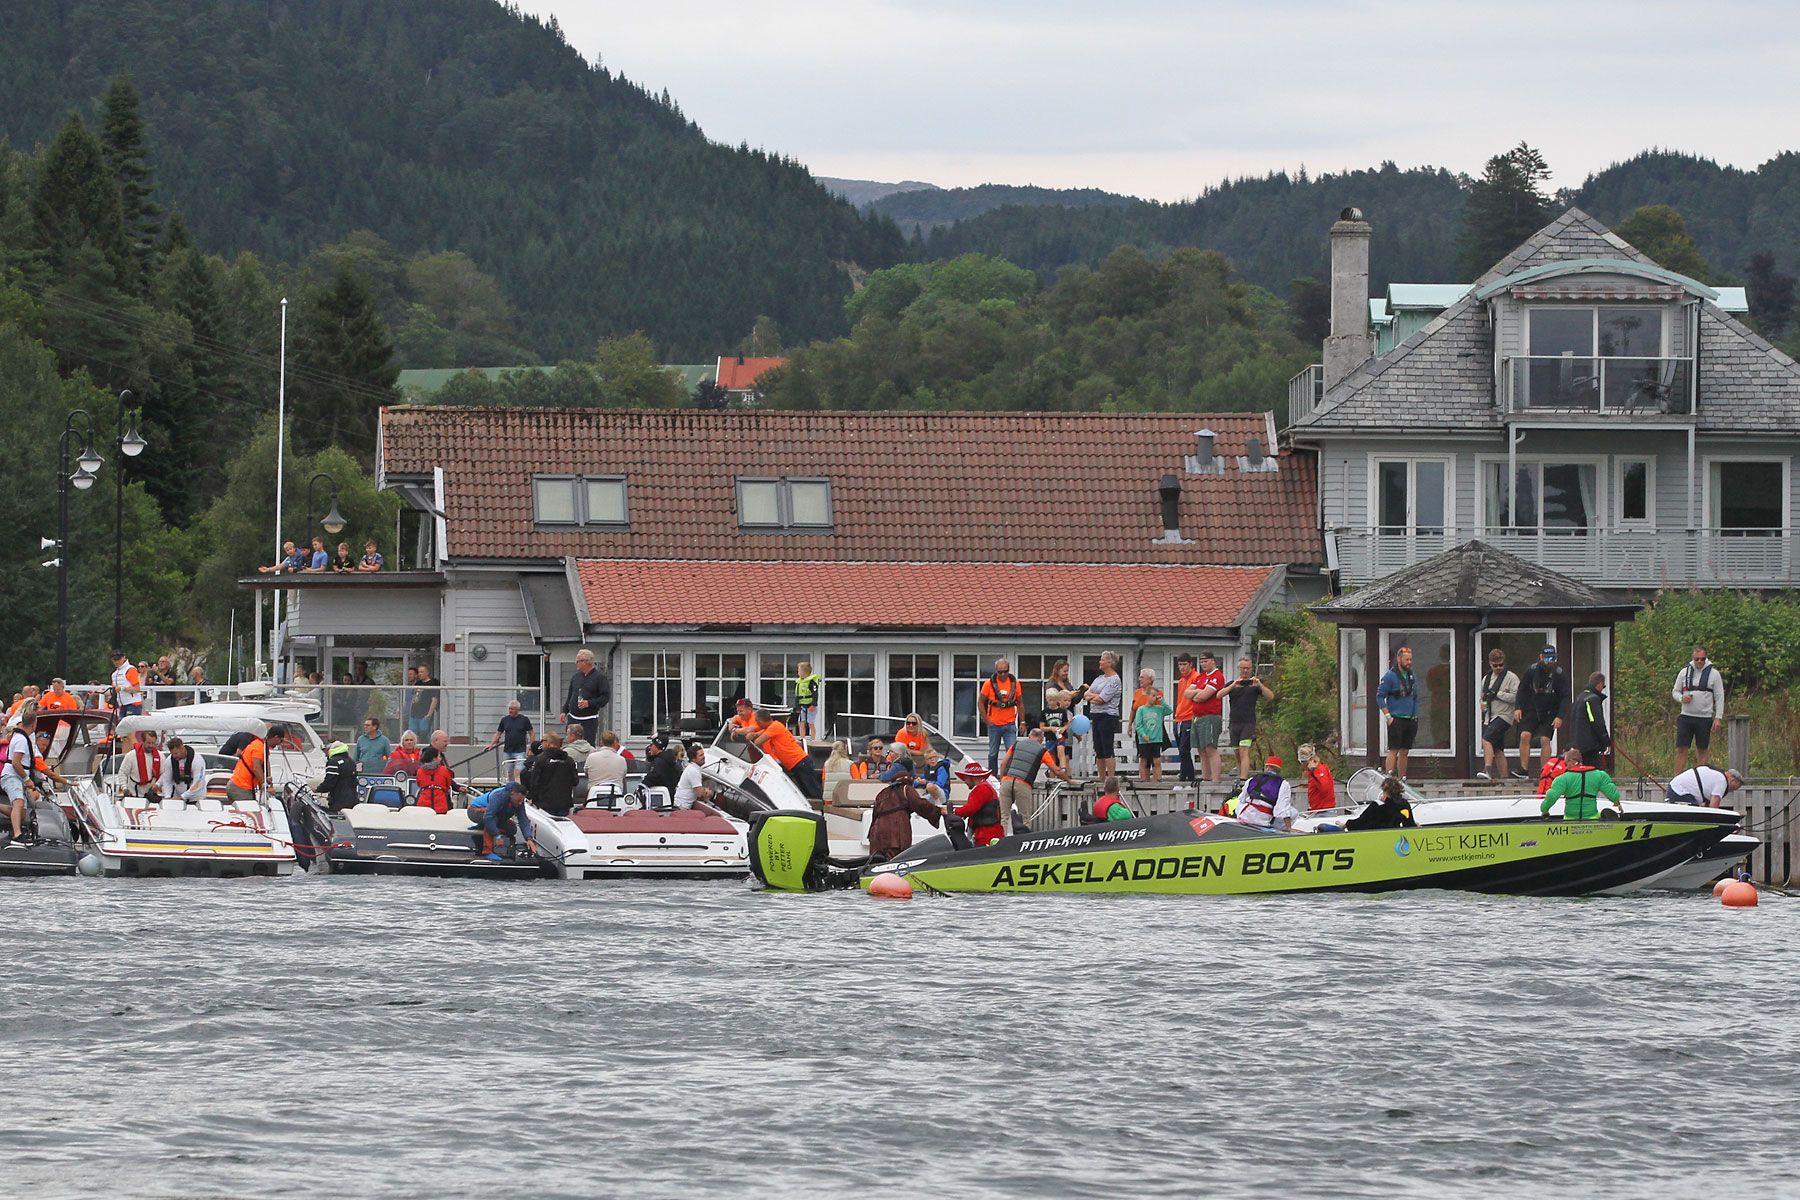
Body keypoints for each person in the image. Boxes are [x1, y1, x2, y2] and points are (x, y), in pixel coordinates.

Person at [867, 758, 943, 862]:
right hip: (895, 830)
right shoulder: (906, 788)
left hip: (876, 833)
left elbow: (874, 815)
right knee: (895, 862)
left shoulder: (882, 793)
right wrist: (937, 811)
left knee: (876, 863)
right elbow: (920, 804)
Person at [1514, 645, 1568, 781]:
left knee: (1545, 739)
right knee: (1525, 736)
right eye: (1546, 658)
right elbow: (1521, 690)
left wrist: (1560, 716)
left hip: (1550, 711)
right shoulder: (1532, 670)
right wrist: (1518, 707)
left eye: (1552, 658)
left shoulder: (1559, 673)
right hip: (1532, 709)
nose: (1549, 661)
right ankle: (1523, 770)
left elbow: (1565, 696)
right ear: (1541, 657)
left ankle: (1545, 772)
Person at [1673, 644, 1727, 772]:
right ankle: (1677, 779)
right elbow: (1675, 691)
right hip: (1686, 716)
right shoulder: (1684, 672)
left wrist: (1718, 717)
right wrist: (1681, 698)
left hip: (1704, 718)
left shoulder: (1714, 674)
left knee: (1702, 749)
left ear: (1706, 658)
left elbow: (1719, 696)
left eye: (1702, 659)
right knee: (1682, 748)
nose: (1699, 662)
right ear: (1693, 658)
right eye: (1697, 659)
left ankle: (1699, 780)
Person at [750, 709, 823, 801]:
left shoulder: (774, 727)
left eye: (756, 722)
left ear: (760, 720)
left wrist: (751, 737)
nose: (756, 724)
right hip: (796, 764)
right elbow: (759, 733)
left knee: (813, 791)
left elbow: (757, 742)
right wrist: (753, 734)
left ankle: (824, 809)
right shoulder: (772, 727)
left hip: (800, 761)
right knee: (804, 792)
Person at [1472, 648, 1520, 781]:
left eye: (1501, 665)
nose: (1498, 668)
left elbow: (1517, 697)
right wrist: (1483, 703)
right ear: (1490, 664)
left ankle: (1487, 769)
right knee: (1498, 749)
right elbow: (1482, 696)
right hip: (1490, 716)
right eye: (1495, 665)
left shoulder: (1511, 678)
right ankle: (1505, 778)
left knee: (1486, 739)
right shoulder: (1486, 678)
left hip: (1504, 716)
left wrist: (1498, 694)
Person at [1221, 656, 1273, 780]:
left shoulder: (1254, 684)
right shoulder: (1233, 684)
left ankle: (1243, 780)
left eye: (1248, 668)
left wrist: (1260, 685)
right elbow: (1219, 694)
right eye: (1243, 668)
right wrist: (1233, 685)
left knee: (1244, 750)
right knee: (1237, 752)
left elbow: (1270, 696)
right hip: (1234, 722)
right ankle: (1242, 775)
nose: (1245, 671)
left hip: (1248, 722)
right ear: (1239, 668)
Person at [1539, 747, 1622, 821]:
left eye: (1566, 763)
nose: (1566, 767)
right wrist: (1616, 802)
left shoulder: (1563, 778)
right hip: (1592, 818)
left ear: (1571, 762)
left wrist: (1544, 810)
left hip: (1570, 819)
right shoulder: (1599, 775)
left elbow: (1551, 796)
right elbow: (1610, 790)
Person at [1373, 646, 1418, 778]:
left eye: (1410, 659)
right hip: (1396, 718)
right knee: (1394, 749)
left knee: (1405, 751)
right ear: (1399, 659)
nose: (1409, 662)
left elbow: (1414, 696)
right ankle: (1389, 777)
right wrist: (1388, 716)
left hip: (1411, 718)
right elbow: (1379, 696)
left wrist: (1415, 715)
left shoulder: (1412, 676)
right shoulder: (1390, 676)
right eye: (1406, 659)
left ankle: (1402, 777)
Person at [467, 781, 535, 861]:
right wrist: (497, 836)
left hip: (494, 815)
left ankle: (483, 827)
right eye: (519, 800)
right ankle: (487, 851)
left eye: (522, 801)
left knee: (512, 828)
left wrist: (529, 839)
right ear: (512, 793)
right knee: (492, 819)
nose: (520, 803)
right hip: (474, 810)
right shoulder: (498, 795)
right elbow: (489, 816)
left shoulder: (518, 800)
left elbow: (523, 819)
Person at [1085, 651, 1124, 784]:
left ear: (1109, 663)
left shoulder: (1115, 680)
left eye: (1102, 660)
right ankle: (1101, 778)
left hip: (1108, 716)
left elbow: (1103, 699)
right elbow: (1087, 694)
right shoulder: (1099, 679)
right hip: (1095, 715)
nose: (1099, 662)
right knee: (1098, 748)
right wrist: (1093, 696)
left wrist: (1093, 697)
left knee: (1107, 747)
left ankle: (1111, 778)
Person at [979, 658, 1023, 774]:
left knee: (1012, 752)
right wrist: (986, 720)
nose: (1003, 674)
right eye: (1000, 672)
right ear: (995, 671)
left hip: (1009, 724)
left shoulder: (1015, 683)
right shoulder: (989, 684)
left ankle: (1010, 775)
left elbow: (1020, 703)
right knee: (993, 753)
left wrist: (1022, 722)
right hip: (994, 724)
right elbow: (980, 702)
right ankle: (993, 775)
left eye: (1005, 671)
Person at [1188, 651, 1227, 784]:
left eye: (1206, 661)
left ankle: (1215, 779)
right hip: (1197, 716)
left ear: (1213, 661)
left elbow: (1203, 696)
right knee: (1201, 749)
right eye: (1201, 661)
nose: (1203, 664)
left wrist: (1198, 693)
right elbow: (1187, 694)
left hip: (1210, 716)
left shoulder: (1217, 676)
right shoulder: (1199, 677)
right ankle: (1206, 777)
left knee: (1210, 748)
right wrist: (1199, 691)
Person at [1235, 755, 1300, 831]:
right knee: (1294, 812)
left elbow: (1242, 799)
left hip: (1245, 816)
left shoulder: (1252, 779)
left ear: (1267, 767)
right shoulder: (1283, 784)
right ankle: (1280, 830)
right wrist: (1289, 828)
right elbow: (1283, 809)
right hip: (1262, 822)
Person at [997, 730, 1047, 830]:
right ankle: (1024, 841)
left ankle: (1001, 841)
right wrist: (1068, 779)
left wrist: (1002, 779)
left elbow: (1003, 764)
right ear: (1041, 738)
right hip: (1023, 783)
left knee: (1004, 817)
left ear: (1029, 735)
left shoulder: (1016, 745)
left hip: (1007, 781)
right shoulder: (1042, 750)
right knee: (1025, 817)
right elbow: (1055, 769)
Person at [522, 730, 577, 816]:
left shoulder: (540, 760)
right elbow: (575, 781)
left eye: (542, 741)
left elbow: (534, 783)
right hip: (564, 803)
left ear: (548, 743)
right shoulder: (569, 760)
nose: (541, 743)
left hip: (545, 804)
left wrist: (534, 799)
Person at [4, 707, 39, 842]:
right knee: (18, 802)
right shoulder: (21, 740)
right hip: (12, 775)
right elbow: (16, 763)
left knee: (22, 813)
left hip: (17, 776)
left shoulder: (20, 737)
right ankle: (17, 834)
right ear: (33, 724)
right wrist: (27, 779)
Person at [563, 648, 611, 744]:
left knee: (588, 744)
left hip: (589, 719)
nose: (576, 663)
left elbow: (605, 698)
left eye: (578, 661)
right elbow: (570, 695)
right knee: (571, 743)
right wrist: (564, 711)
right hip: (573, 717)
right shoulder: (575, 677)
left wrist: (589, 703)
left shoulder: (600, 678)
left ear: (586, 662)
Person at [1132, 670, 1170, 783]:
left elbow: (1169, 710)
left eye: (1155, 696)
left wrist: (1161, 700)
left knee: (1156, 760)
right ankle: (1144, 780)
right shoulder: (1141, 709)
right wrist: (1143, 735)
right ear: (1147, 696)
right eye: (1152, 696)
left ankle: (1157, 779)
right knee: (1144, 760)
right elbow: (1138, 724)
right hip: (1144, 739)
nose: (1154, 697)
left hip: (1156, 738)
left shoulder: (1159, 709)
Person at [952, 764, 1005, 845]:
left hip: (986, 835)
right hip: (988, 833)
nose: (964, 781)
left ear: (972, 777)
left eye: (966, 778)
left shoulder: (981, 789)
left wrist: (954, 812)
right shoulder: (985, 787)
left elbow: (970, 808)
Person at [1170, 653, 1200, 784]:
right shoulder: (1182, 680)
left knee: (1184, 749)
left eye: (1184, 664)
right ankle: (1189, 777)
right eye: (1180, 664)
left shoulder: (1196, 677)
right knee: (1182, 751)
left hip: (1189, 717)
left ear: (1190, 664)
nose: (1182, 667)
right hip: (1179, 717)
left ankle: (1185, 779)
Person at [1346, 775, 1417, 830]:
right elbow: (1409, 824)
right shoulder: (1404, 804)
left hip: (1378, 837)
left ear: (1384, 790)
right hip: (1395, 836)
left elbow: (1360, 822)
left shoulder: (1377, 805)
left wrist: (1346, 824)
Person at [1569, 673, 1611, 765]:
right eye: (1603, 686)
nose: (1602, 688)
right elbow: (1597, 722)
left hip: (1577, 743)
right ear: (1599, 684)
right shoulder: (1593, 699)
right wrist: (1606, 741)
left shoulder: (1579, 697)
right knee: (1592, 771)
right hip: (1590, 746)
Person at [487, 700, 534, 781]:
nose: (510, 711)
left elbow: (531, 733)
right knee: (509, 773)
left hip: (520, 751)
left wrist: (531, 747)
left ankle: (518, 789)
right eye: (509, 709)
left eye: (512, 709)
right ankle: (511, 790)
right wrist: (491, 745)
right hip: (508, 750)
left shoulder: (524, 719)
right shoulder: (505, 720)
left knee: (518, 772)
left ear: (517, 710)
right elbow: (498, 733)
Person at [1666, 763, 1744, 807]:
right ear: (1733, 780)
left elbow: (1708, 805)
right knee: (1695, 815)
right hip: (1681, 791)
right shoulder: (1722, 781)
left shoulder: (1715, 775)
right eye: (1733, 788)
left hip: (1675, 787)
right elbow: (1713, 806)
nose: (1730, 790)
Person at [226, 724, 269, 804]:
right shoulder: (258, 746)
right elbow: (256, 767)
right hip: (241, 787)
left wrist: (265, 781)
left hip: (236, 785)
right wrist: (264, 784)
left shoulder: (256, 743)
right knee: (249, 811)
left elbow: (265, 764)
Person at [316, 741, 360, 813]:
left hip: (338, 801)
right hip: (353, 800)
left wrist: (318, 789)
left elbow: (329, 782)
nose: (325, 754)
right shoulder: (351, 761)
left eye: (326, 751)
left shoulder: (333, 762)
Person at [585, 730, 629, 797]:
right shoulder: (621, 760)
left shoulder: (591, 757)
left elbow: (587, 773)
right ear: (614, 742)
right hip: (616, 797)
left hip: (593, 797)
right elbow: (623, 776)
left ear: (601, 742)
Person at [122, 731, 165, 799]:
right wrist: (124, 788)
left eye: (153, 743)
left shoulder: (161, 756)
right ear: (143, 741)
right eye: (148, 743)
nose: (151, 745)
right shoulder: (131, 755)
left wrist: (157, 784)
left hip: (151, 795)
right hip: (133, 795)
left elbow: (164, 774)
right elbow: (122, 773)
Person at [414, 746, 455, 813]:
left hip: (423, 805)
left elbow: (419, 784)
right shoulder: (444, 770)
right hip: (440, 805)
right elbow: (448, 784)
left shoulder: (419, 772)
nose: (440, 759)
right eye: (439, 756)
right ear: (434, 758)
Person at [640, 734, 683, 799]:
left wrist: (640, 787)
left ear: (657, 746)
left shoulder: (658, 762)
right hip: (670, 798)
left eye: (652, 744)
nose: (650, 747)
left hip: (660, 801)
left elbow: (652, 778)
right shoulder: (672, 761)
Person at [674, 741, 713, 810]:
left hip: (681, 805)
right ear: (693, 759)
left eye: (703, 754)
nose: (703, 757)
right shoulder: (693, 771)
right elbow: (700, 793)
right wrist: (708, 792)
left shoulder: (692, 768)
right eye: (700, 755)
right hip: (683, 807)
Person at [1297, 743, 1336, 811]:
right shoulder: (1313, 772)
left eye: (1304, 762)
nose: (1303, 764)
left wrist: (1314, 771)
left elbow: (1325, 789)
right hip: (1317, 809)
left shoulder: (1320, 770)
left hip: (1324, 811)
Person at [111, 650, 146, 717]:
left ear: (124, 658)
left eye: (118, 659)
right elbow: (114, 690)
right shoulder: (114, 674)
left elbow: (137, 689)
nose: (116, 661)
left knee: (129, 726)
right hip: (122, 705)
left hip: (133, 704)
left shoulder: (131, 670)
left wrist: (122, 688)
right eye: (114, 659)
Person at [792, 662, 821, 740]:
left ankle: (813, 739)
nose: (798, 673)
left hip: (810, 706)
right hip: (802, 705)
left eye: (799, 671)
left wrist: (813, 705)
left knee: (811, 723)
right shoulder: (799, 682)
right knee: (801, 722)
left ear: (804, 672)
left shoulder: (811, 682)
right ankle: (802, 738)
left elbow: (815, 694)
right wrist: (797, 706)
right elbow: (797, 695)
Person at [408, 664, 439, 739]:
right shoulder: (418, 683)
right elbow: (413, 698)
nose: (420, 674)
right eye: (419, 672)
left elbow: (434, 700)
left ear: (427, 673)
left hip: (424, 714)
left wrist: (429, 714)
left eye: (422, 672)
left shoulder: (432, 684)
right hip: (414, 714)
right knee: (412, 734)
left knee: (424, 734)